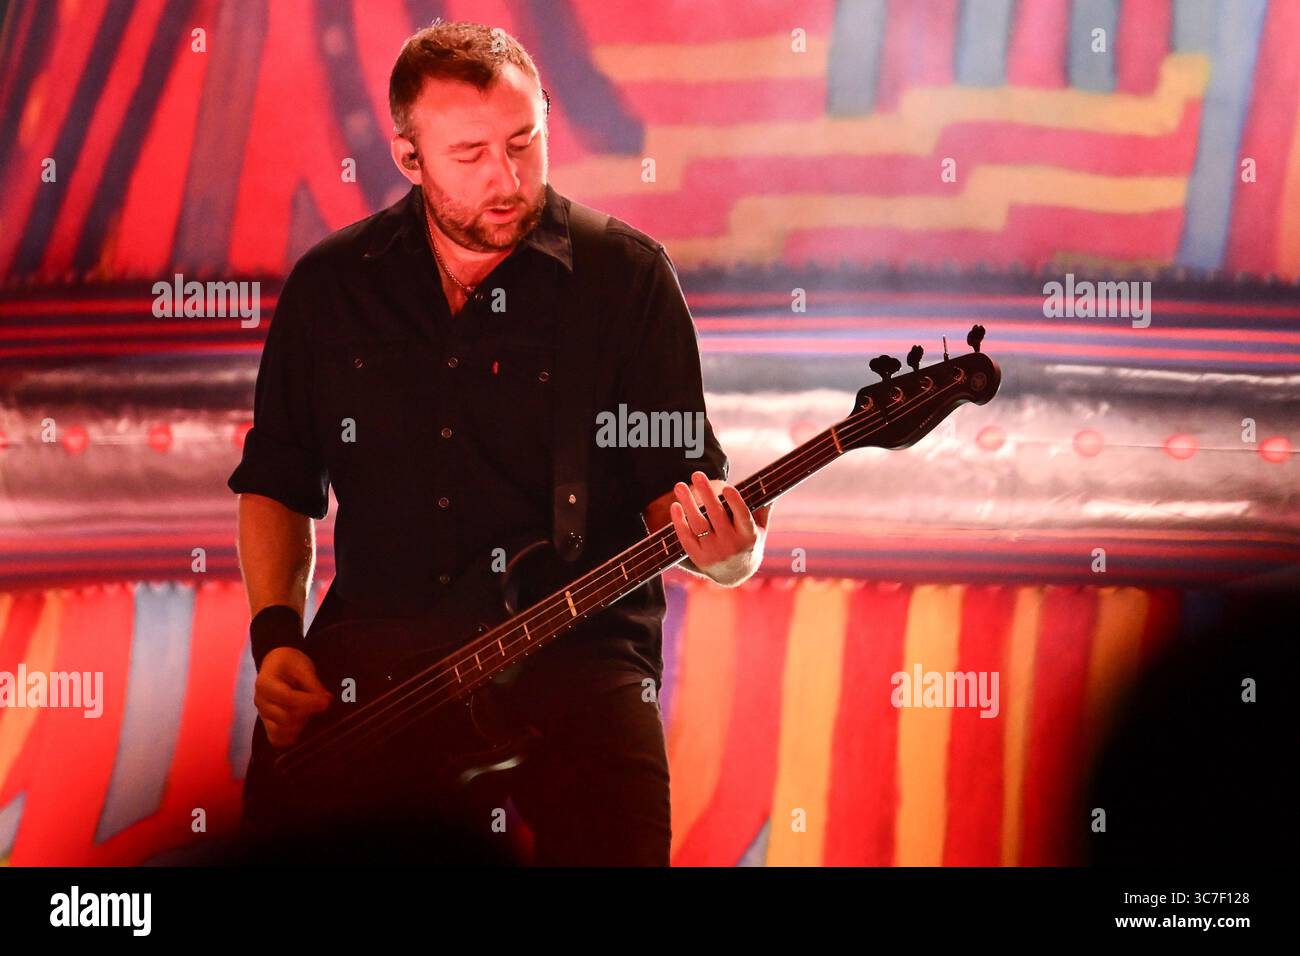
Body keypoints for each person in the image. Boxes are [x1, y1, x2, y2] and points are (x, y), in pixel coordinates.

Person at [227, 20, 771, 866]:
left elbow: (679, 483)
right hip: (381, 657)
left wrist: (727, 552)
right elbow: (278, 479)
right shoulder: (335, 287)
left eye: (525, 142)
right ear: (408, 158)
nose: (508, 178)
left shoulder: (625, 279)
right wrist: (276, 639)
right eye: (470, 155)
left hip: (579, 655)